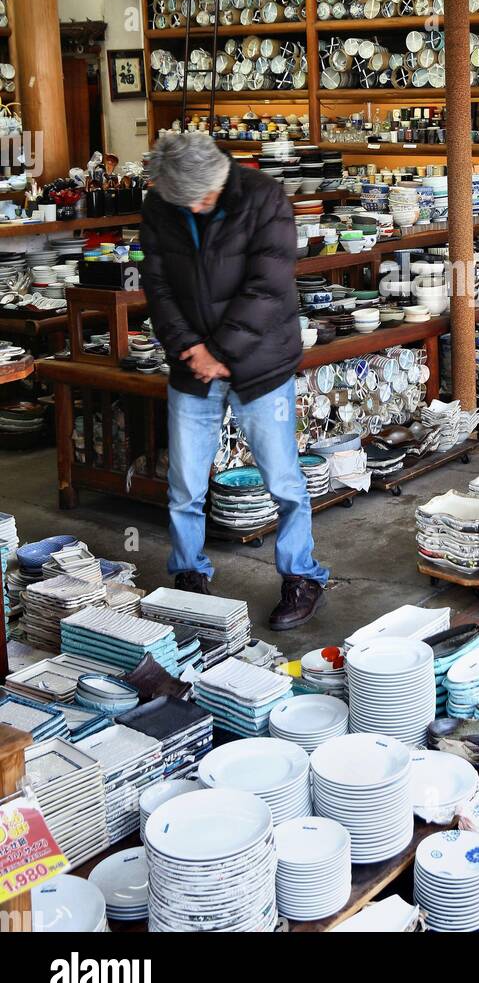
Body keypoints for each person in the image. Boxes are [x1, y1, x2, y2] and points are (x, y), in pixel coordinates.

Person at [140, 132, 328, 630]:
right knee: (183, 485)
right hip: (191, 366)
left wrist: (219, 353)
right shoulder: (161, 205)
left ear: (218, 182)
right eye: (187, 202)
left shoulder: (263, 197)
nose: (196, 209)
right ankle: (188, 574)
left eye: (201, 200)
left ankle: (302, 576)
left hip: (260, 364)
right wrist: (190, 349)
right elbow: (156, 285)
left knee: (284, 481)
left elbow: (268, 286)